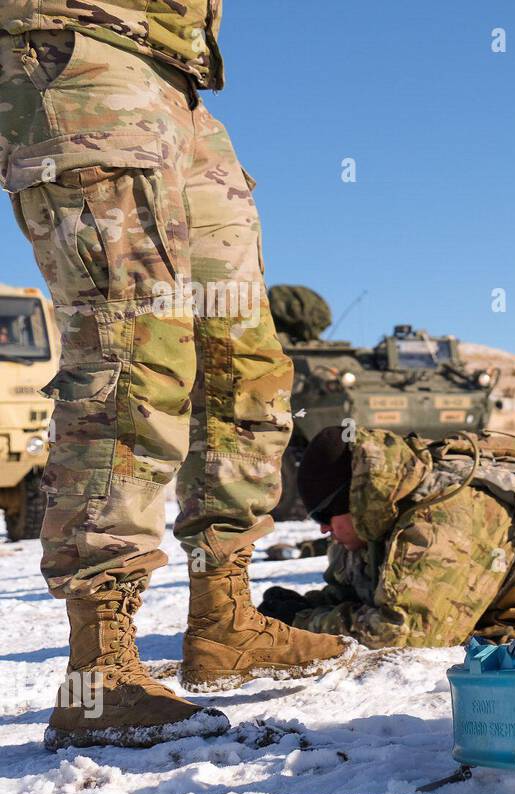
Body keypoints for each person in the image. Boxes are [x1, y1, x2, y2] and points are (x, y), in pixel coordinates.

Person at [0, 3, 348, 749]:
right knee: (132, 346)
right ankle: (99, 668)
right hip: (80, 47)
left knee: (243, 364)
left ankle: (222, 618)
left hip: (179, 80)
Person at [260, 424, 515, 648]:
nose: (322, 529)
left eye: (326, 516)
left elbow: (405, 632)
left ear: (355, 501)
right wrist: (305, 607)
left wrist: (302, 623)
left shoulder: (441, 518)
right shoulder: (372, 521)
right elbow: (357, 596)